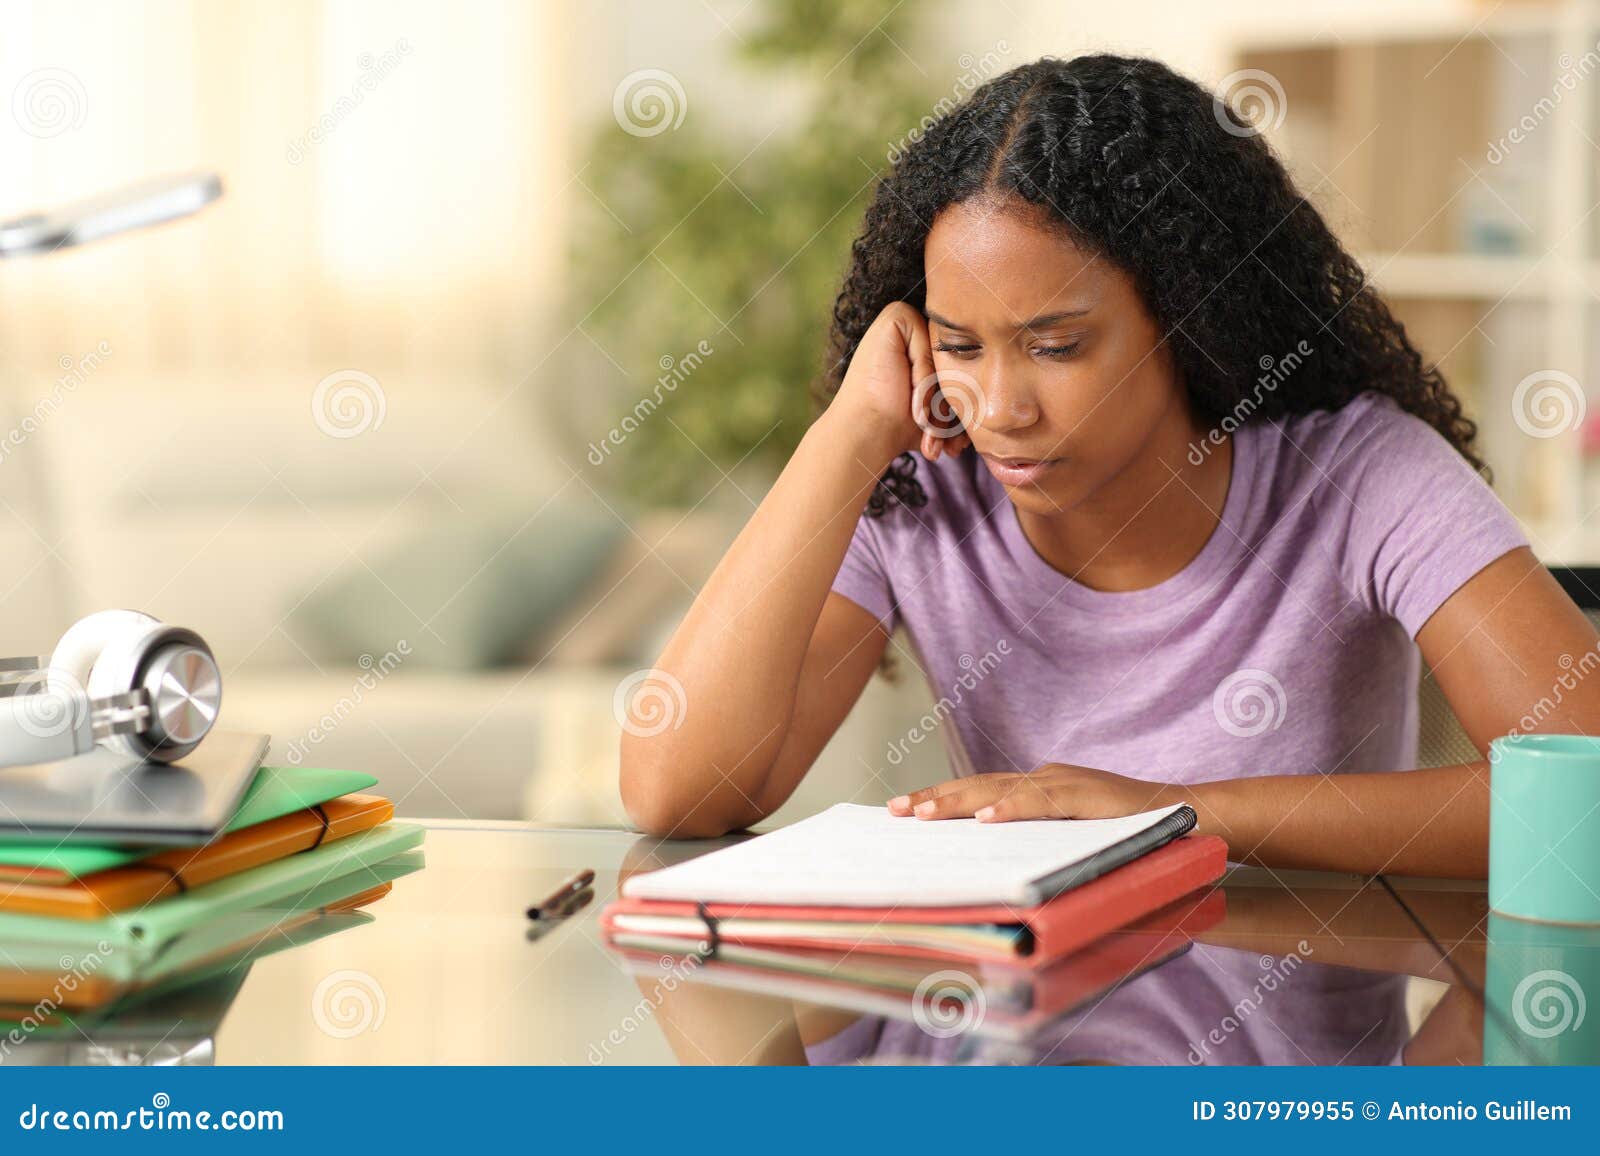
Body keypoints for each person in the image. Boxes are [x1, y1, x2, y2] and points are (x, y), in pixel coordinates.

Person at [619, 54, 1600, 877]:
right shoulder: (924, 487)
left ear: (1187, 315)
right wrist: (845, 434)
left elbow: (1582, 799)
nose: (1000, 408)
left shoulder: (1359, 473)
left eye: (1056, 345)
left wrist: (1174, 813)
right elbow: (676, 793)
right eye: (959, 346)